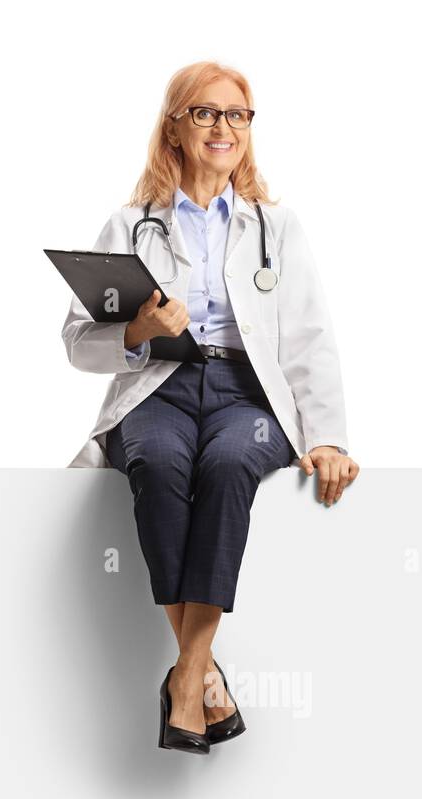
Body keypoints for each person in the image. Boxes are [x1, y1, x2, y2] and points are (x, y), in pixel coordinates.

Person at [61, 61, 359, 755]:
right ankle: (200, 677)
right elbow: (77, 342)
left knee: (228, 467)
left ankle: (188, 675)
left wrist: (331, 437)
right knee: (157, 464)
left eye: (237, 115)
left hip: (244, 394)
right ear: (174, 127)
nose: (223, 128)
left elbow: (310, 338)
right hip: (158, 385)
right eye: (205, 113)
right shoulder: (130, 224)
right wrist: (138, 333)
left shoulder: (275, 229)